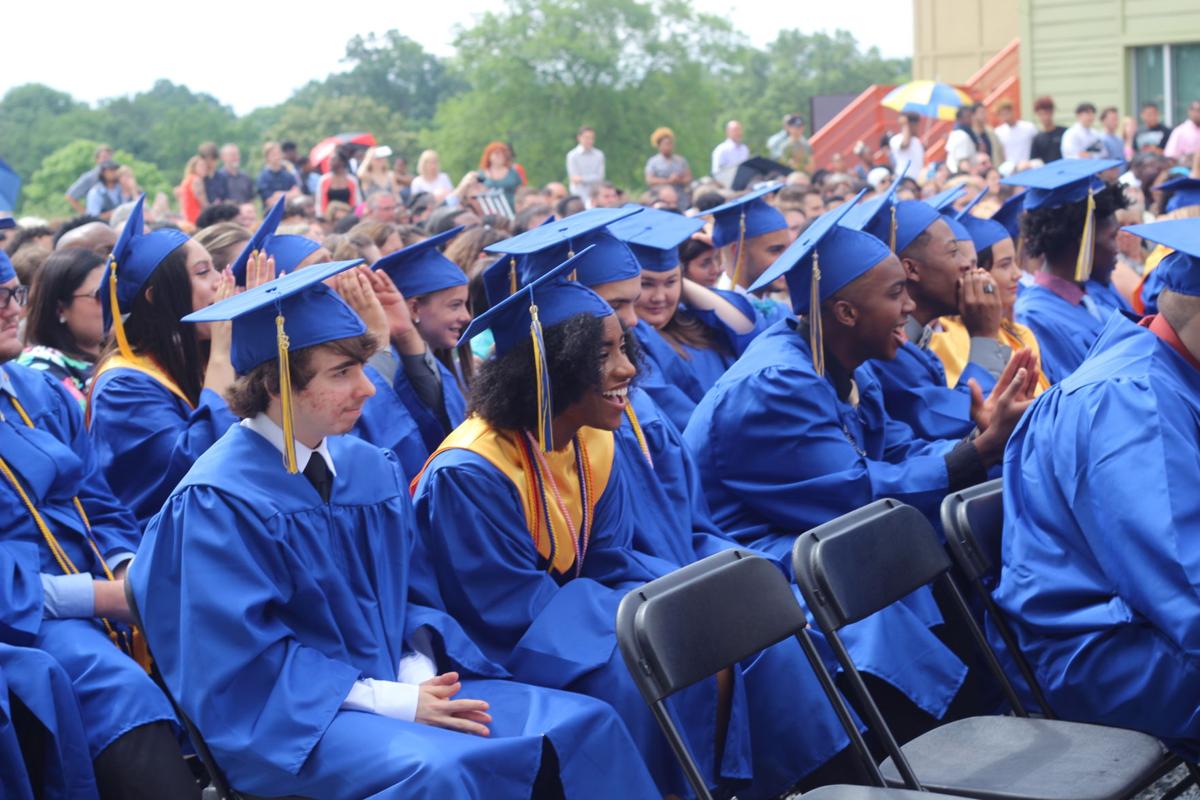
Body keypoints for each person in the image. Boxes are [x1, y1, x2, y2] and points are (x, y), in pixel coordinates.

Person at [134, 261, 660, 799]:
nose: (366, 389)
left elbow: (415, 597)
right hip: (295, 724)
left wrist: (414, 672)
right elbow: (245, 663)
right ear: (275, 384)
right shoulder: (218, 503)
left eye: (362, 367)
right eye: (341, 373)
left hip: (402, 685)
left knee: (583, 723)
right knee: (445, 769)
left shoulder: (368, 470)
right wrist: (393, 701)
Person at [415, 252, 859, 797]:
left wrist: (680, 597)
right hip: (505, 646)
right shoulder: (470, 472)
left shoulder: (591, 441)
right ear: (549, 370)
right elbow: (502, 610)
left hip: (579, 617)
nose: (628, 369)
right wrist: (642, 618)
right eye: (603, 355)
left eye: (623, 347)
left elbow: (614, 559)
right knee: (657, 657)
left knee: (730, 625)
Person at [682, 201, 1036, 745]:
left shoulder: (846, 365)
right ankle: (936, 748)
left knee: (968, 550)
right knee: (904, 595)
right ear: (846, 312)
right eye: (896, 293)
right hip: (758, 561)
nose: (910, 306)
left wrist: (975, 446)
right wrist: (978, 451)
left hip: (821, 536)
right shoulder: (774, 385)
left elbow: (898, 453)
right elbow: (856, 493)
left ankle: (993, 724)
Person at [993, 217, 1200, 756]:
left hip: (1148, 624)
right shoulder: (1129, 402)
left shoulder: (1170, 371)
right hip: (1108, 653)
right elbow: (1182, 582)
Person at [0, 244, 199, 797]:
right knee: (114, 687)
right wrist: (102, 599)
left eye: (13, 292)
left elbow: (100, 501)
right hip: (31, 619)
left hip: (100, 592)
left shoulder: (38, 393)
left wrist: (128, 568)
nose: (11, 308)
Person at [86, 196, 243, 528]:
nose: (220, 282)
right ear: (156, 297)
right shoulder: (123, 386)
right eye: (203, 272)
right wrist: (220, 353)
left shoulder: (188, 358)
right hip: (166, 550)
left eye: (215, 267)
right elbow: (195, 468)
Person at [610, 207, 763, 432]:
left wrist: (682, 283)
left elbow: (746, 329)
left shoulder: (693, 320)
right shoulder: (630, 344)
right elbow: (679, 418)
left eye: (670, 282)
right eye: (646, 284)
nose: (660, 297)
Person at [1006, 159, 1129, 383]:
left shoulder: (1098, 294)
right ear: (1083, 240)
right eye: (1112, 237)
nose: (1117, 249)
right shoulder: (1034, 318)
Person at [931, 191, 1053, 395]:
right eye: (1005, 265)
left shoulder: (1020, 332)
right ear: (973, 274)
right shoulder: (945, 340)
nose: (1017, 275)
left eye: (1015, 263)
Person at [368, 227, 470, 464]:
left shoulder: (442, 368)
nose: (466, 317)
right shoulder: (390, 373)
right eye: (455, 305)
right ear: (414, 308)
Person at [17, 250, 105, 405]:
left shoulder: (124, 353)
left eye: (115, 291)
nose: (113, 302)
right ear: (60, 309)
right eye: (100, 294)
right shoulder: (41, 372)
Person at [706, 184, 792, 324]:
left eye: (788, 250)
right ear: (738, 251)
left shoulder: (782, 312)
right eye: (775, 250)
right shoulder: (713, 316)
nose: (787, 260)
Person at [644, 127, 692, 210]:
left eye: (670, 143)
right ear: (659, 146)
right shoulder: (653, 162)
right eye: (666, 144)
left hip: (680, 191)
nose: (669, 146)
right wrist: (668, 181)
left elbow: (689, 177)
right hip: (660, 193)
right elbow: (650, 180)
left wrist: (678, 180)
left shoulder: (680, 160)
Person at [64, 145, 114, 214]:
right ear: (97, 160)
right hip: (97, 217)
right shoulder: (90, 177)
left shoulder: (115, 176)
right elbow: (70, 196)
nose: (107, 160)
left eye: (109, 157)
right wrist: (86, 213)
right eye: (104, 157)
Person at [566, 126, 605, 204]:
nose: (589, 141)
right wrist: (592, 178)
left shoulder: (599, 155)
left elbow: (600, 177)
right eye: (587, 137)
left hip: (595, 196)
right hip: (578, 195)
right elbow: (574, 178)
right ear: (579, 138)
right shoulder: (572, 155)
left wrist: (581, 179)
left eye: (592, 138)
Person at [478, 142, 523, 209]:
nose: (500, 156)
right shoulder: (481, 174)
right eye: (496, 154)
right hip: (491, 208)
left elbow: (521, 190)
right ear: (489, 156)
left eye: (503, 154)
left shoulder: (513, 172)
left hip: (512, 207)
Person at [317, 150, 361, 218]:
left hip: (349, 217)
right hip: (329, 218)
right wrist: (321, 217)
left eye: (333, 159)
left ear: (342, 162)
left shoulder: (352, 181)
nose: (329, 162)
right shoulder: (324, 180)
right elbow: (319, 202)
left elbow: (357, 201)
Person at [994, 100, 1037, 166]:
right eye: (1002, 115)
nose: (1006, 117)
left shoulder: (1029, 127)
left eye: (1007, 113)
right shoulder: (998, 132)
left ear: (1012, 112)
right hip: (1011, 170)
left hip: (1029, 166)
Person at [256, 141, 298, 207]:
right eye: (273, 154)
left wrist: (278, 194)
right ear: (267, 157)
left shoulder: (288, 175)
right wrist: (288, 196)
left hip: (291, 211)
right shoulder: (263, 178)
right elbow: (269, 200)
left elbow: (297, 193)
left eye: (278, 153)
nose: (277, 156)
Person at [1030, 96, 1068, 163]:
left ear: (1052, 112)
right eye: (1041, 114)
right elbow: (1034, 160)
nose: (1044, 117)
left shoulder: (1065, 132)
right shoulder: (1037, 139)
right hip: (1047, 172)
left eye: (1047, 113)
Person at [945, 107, 979, 173]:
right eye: (968, 116)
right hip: (961, 175)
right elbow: (963, 163)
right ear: (960, 119)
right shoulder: (961, 135)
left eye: (971, 116)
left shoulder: (958, 133)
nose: (971, 119)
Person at [177, 155, 208, 225]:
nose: (204, 168)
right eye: (201, 166)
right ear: (194, 167)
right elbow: (203, 202)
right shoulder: (197, 180)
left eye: (205, 166)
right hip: (196, 218)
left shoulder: (186, 181)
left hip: (187, 218)